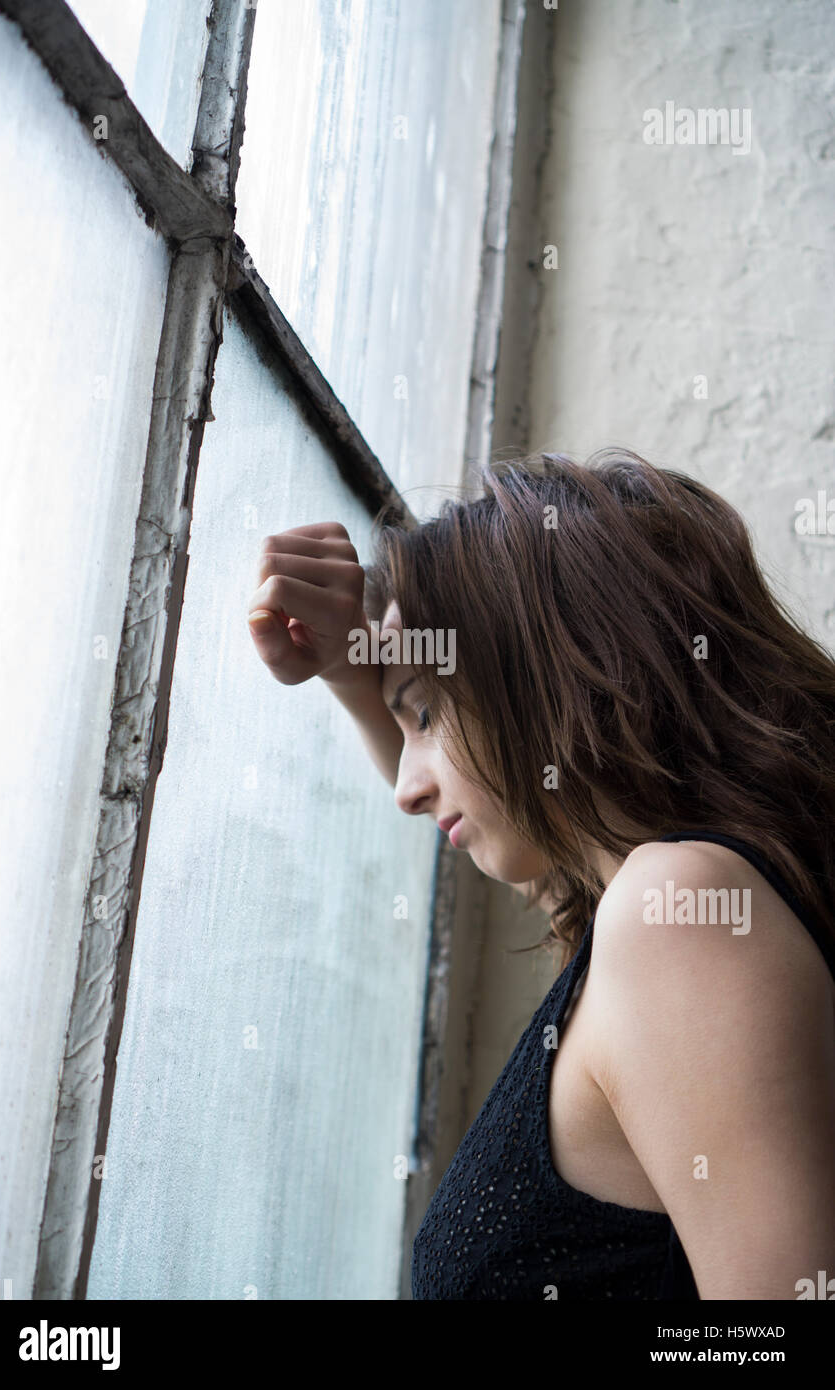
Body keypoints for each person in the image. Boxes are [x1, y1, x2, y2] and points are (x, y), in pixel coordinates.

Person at [246, 448, 835, 1300]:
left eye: (421, 711)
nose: (406, 791)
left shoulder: (679, 914)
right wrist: (351, 670)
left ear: (542, 672)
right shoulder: (670, 907)